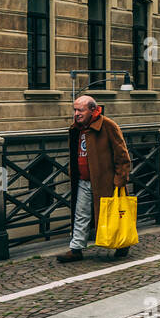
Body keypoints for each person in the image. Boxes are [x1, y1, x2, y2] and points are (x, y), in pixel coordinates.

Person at [63, 95, 132, 263]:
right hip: (83, 179)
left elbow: (122, 154)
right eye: (75, 110)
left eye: (80, 110)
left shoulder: (108, 126)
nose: (76, 114)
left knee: (112, 213)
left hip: (105, 180)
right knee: (81, 214)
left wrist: (120, 179)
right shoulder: (76, 128)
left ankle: (121, 244)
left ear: (93, 110)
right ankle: (76, 248)